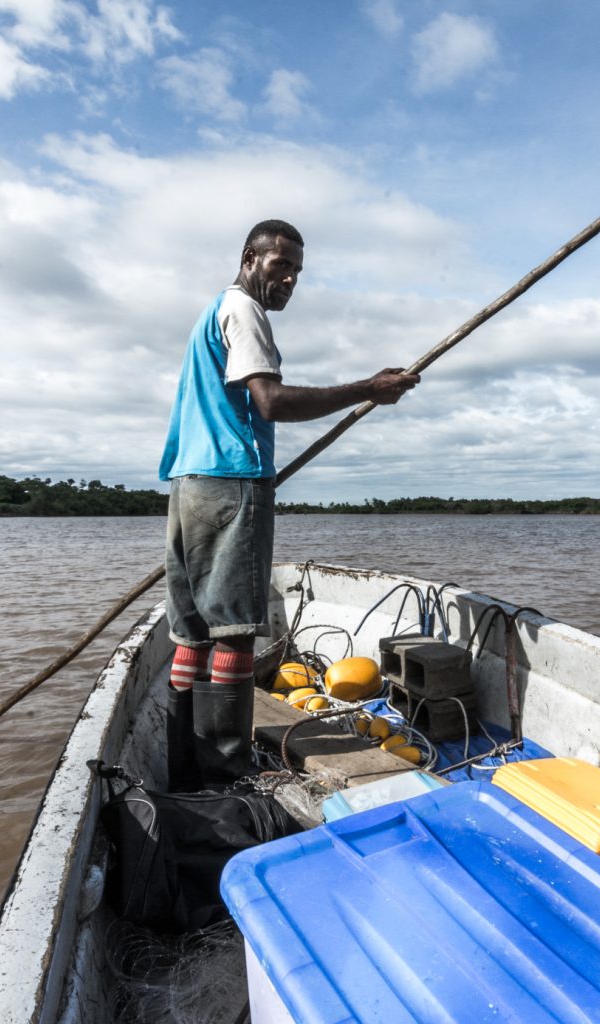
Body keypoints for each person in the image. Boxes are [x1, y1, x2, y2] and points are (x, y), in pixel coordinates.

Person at [158, 219, 419, 788]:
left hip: (188, 487)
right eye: (281, 266)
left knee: (192, 636)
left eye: (297, 271)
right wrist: (367, 389)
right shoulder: (243, 312)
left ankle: (182, 771)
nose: (290, 280)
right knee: (233, 635)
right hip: (232, 482)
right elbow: (270, 401)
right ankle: (229, 774)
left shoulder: (211, 314)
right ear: (250, 258)